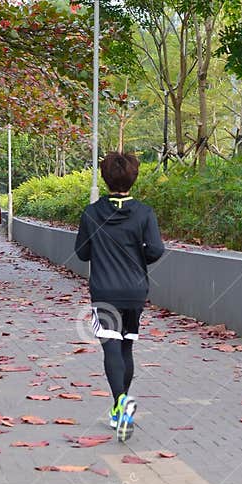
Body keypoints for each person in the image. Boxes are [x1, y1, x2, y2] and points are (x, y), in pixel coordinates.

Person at [74, 152, 165, 442]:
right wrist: (136, 255)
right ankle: (120, 409)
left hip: (105, 290)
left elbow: (82, 252)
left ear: (104, 178)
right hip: (135, 290)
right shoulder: (144, 213)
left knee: (110, 346)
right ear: (134, 178)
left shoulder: (92, 213)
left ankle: (121, 404)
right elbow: (156, 250)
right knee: (126, 347)